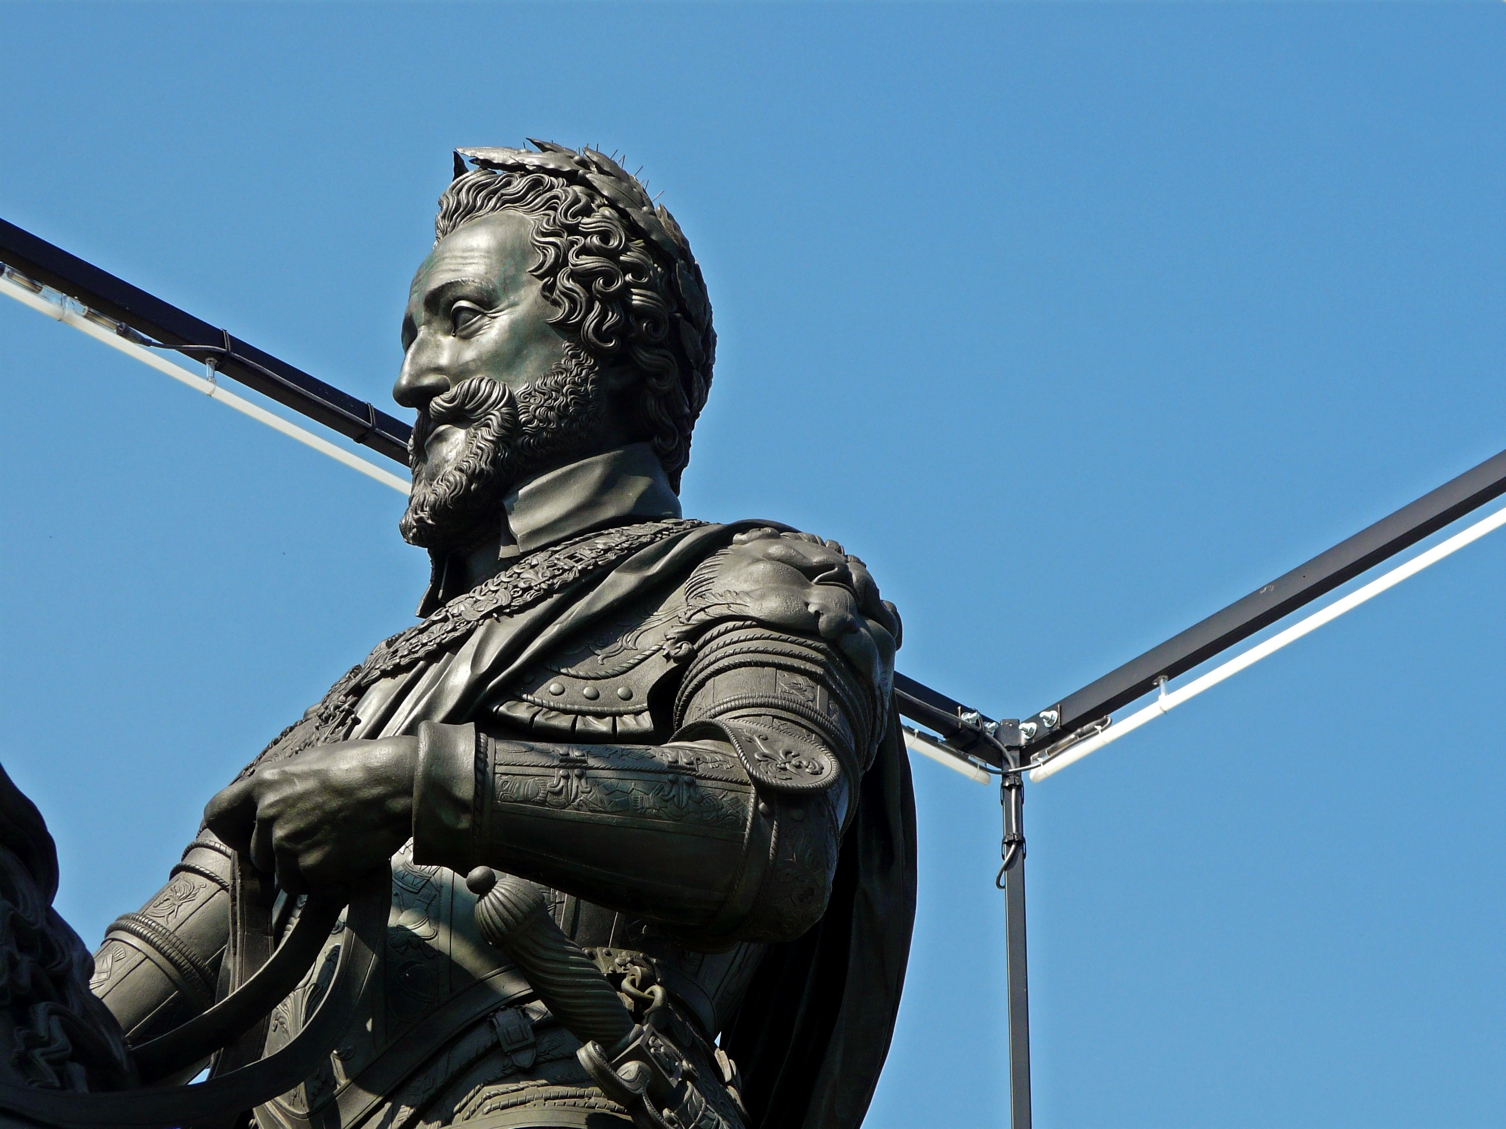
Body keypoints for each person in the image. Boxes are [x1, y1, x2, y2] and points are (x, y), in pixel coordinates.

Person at [89, 142, 916, 1129]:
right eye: (411, 336)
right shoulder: (350, 705)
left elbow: (775, 840)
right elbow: (107, 1022)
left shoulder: (758, 580)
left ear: (606, 335)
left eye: (462, 318)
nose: (412, 378)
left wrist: (421, 782)